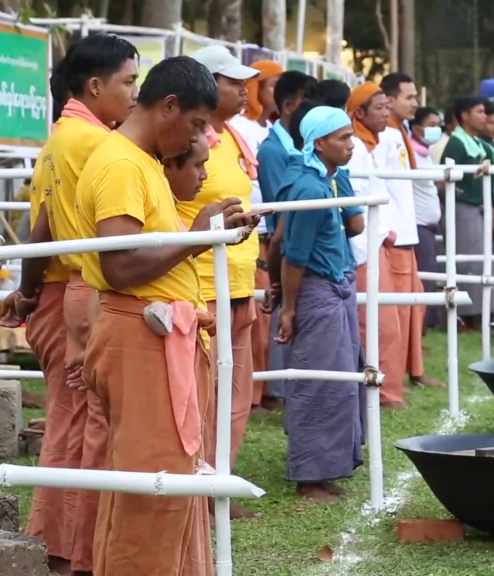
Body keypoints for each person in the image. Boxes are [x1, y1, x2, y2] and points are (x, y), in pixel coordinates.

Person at [75, 56, 251, 576]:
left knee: (164, 480)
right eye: (198, 124)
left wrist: (202, 234)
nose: (200, 138)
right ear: (169, 106)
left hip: (158, 335)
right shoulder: (121, 164)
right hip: (141, 335)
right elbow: (122, 263)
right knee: (155, 486)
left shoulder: (143, 162)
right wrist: (199, 237)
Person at [0, 34, 139, 576]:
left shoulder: (68, 135)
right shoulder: (92, 143)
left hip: (59, 292)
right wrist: (32, 290)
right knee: (83, 428)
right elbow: (50, 226)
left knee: (71, 424)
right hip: (80, 293)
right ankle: (69, 550)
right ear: (96, 85)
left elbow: (45, 224)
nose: (135, 94)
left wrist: (29, 291)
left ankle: (60, 544)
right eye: (128, 82)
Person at [175, 46, 262, 519]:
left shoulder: (236, 137)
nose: (243, 90)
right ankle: (201, 491)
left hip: (241, 279)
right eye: (233, 81)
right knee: (204, 396)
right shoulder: (187, 139)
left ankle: (220, 487)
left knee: (235, 393)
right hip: (204, 283)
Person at [277, 105, 364, 503]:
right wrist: (289, 309)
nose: (352, 144)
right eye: (343, 138)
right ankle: (310, 477)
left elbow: (355, 225)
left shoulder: (331, 178)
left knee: (344, 380)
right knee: (319, 382)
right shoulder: (309, 188)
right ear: (319, 142)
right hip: (317, 290)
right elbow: (294, 255)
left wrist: (343, 186)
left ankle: (330, 468)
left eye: (350, 136)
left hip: (339, 284)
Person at [254, 71, 317, 410]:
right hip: (284, 245)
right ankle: (277, 389)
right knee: (283, 311)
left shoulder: (294, 145)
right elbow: (282, 210)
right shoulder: (274, 150)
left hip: (294, 242)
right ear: (290, 106)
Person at [345, 82, 407, 409]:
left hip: (375, 243)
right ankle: (383, 392)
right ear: (359, 113)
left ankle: (386, 390)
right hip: (363, 249)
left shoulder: (366, 145)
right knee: (379, 325)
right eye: (379, 107)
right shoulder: (353, 147)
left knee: (384, 322)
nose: (386, 113)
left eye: (387, 106)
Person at [227, 60, 284, 412]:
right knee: (254, 317)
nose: (274, 92)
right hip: (251, 231)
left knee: (265, 313)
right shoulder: (239, 127)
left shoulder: (270, 128)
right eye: (270, 85)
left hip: (267, 229)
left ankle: (262, 388)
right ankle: (252, 392)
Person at [379, 73, 441, 389]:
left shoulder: (399, 132)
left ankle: (412, 370)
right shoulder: (382, 136)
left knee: (414, 304)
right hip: (394, 235)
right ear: (389, 100)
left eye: (415, 97)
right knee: (398, 310)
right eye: (409, 97)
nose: (415, 103)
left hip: (407, 232)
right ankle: (395, 380)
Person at [442, 96, 494, 330]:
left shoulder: (481, 144)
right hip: (465, 208)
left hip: (486, 207)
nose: (484, 117)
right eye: (479, 112)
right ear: (464, 116)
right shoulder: (456, 143)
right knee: (472, 262)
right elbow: (446, 179)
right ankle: (471, 316)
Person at [410, 106, 443, 330]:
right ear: (416, 127)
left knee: (428, 278)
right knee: (423, 280)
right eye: (431, 125)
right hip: (418, 225)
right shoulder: (411, 152)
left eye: (438, 125)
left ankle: (424, 327)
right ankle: (420, 328)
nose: (436, 130)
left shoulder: (424, 152)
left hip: (428, 225)